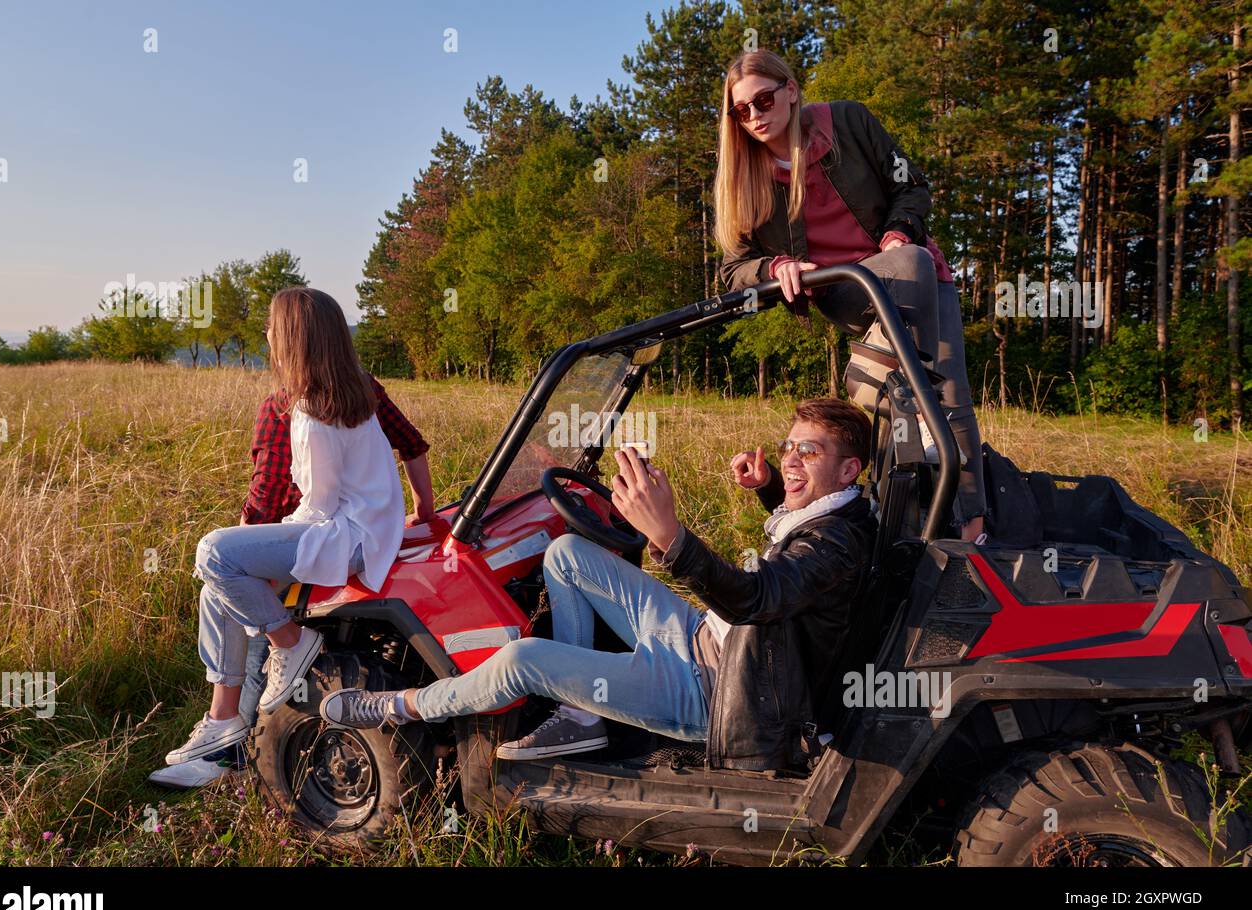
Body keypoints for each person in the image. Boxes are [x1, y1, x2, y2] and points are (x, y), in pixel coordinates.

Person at [321, 398, 878, 772]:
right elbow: (794, 566)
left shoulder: (833, 545)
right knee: (565, 554)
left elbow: (759, 597)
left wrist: (670, 535)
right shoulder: (840, 516)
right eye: (789, 446)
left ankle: (402, 704)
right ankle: (580, 715)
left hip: (715, 689)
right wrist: (772, 489)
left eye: (810, 451)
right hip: (708, 640)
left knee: (521, 660)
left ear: (849, 470)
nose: (791, 457)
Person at [714, 49, 987, 541]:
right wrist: (776, 266)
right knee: (922, 390)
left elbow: (911, 184)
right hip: (847, 291)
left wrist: (900, 231)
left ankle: (965, 532)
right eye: (741, 109)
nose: (755, 115)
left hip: (919, 275)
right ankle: (875, 386)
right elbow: (732, 271)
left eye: (764, 99)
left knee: (947, 393)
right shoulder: (744, 176)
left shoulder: (848, 121)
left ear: (791, 91)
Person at [150, 329, 434, 786]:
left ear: (289, 341)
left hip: (331, 534)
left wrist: (250, 554)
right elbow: (412, 444)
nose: (263, 333)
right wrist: (424, 510)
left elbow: (271, 493)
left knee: (221, 572)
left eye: (270, 327)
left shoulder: (288, 404)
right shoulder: (364, 389)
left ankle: (234, 745)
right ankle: (223, 724)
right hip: (362, 531)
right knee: (219, 594)